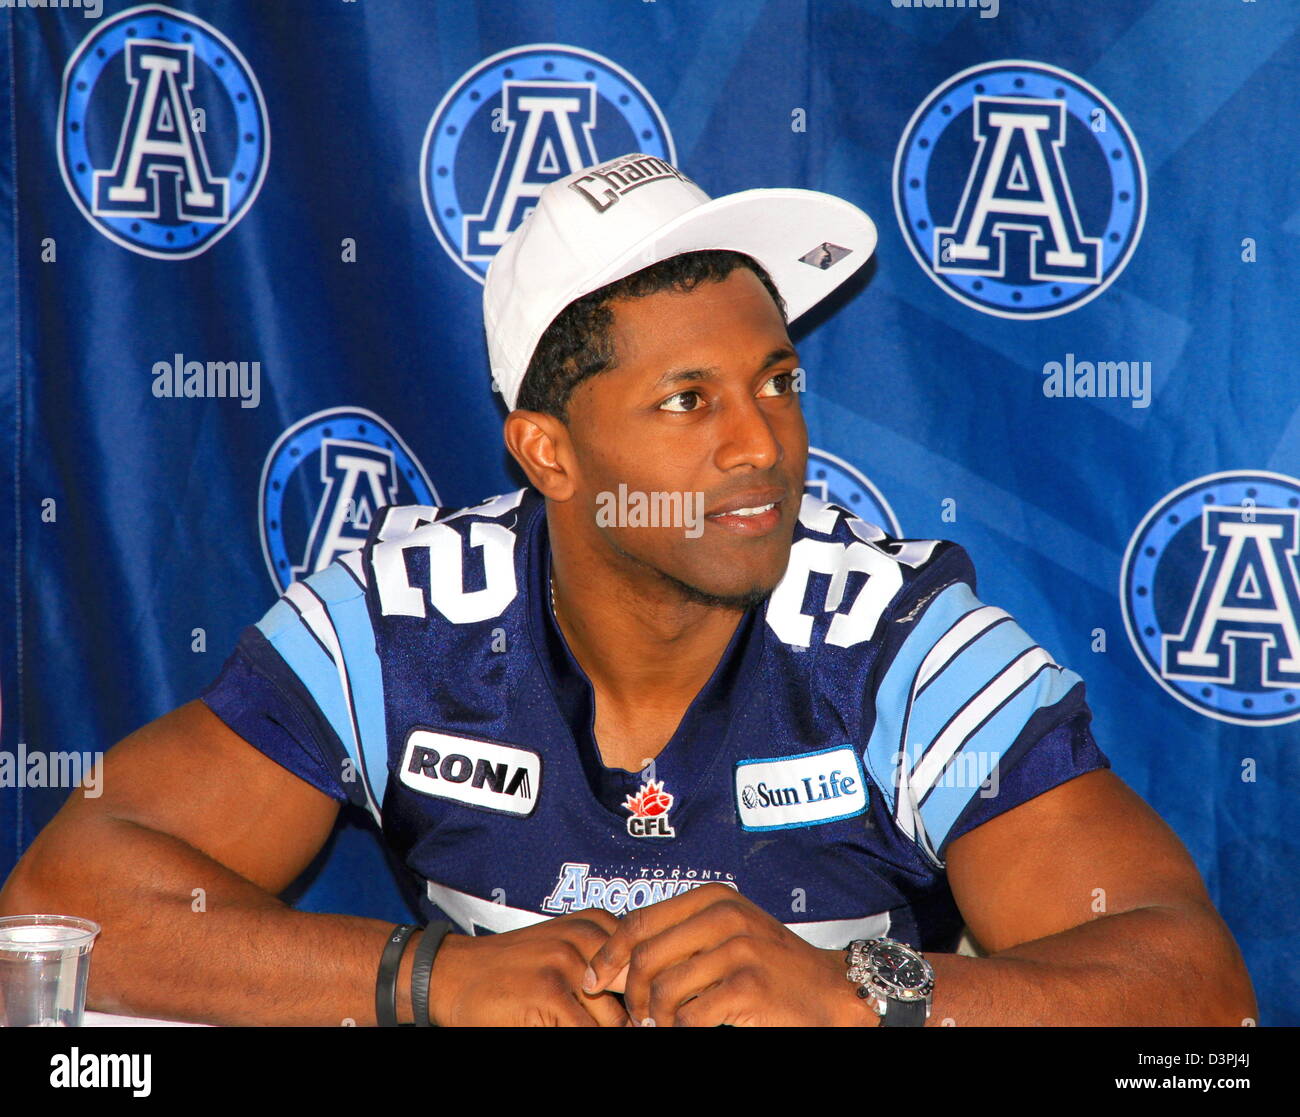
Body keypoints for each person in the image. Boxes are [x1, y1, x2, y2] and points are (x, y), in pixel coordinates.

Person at [0, 152, 1256, 1027]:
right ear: (549, 451)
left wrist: (865, 994)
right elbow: (65, 897)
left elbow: (1196, 986)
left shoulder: (896, 638)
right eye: (685, 401)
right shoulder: (405, 617)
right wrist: (426, 980)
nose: (762, 443)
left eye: (776, 380)